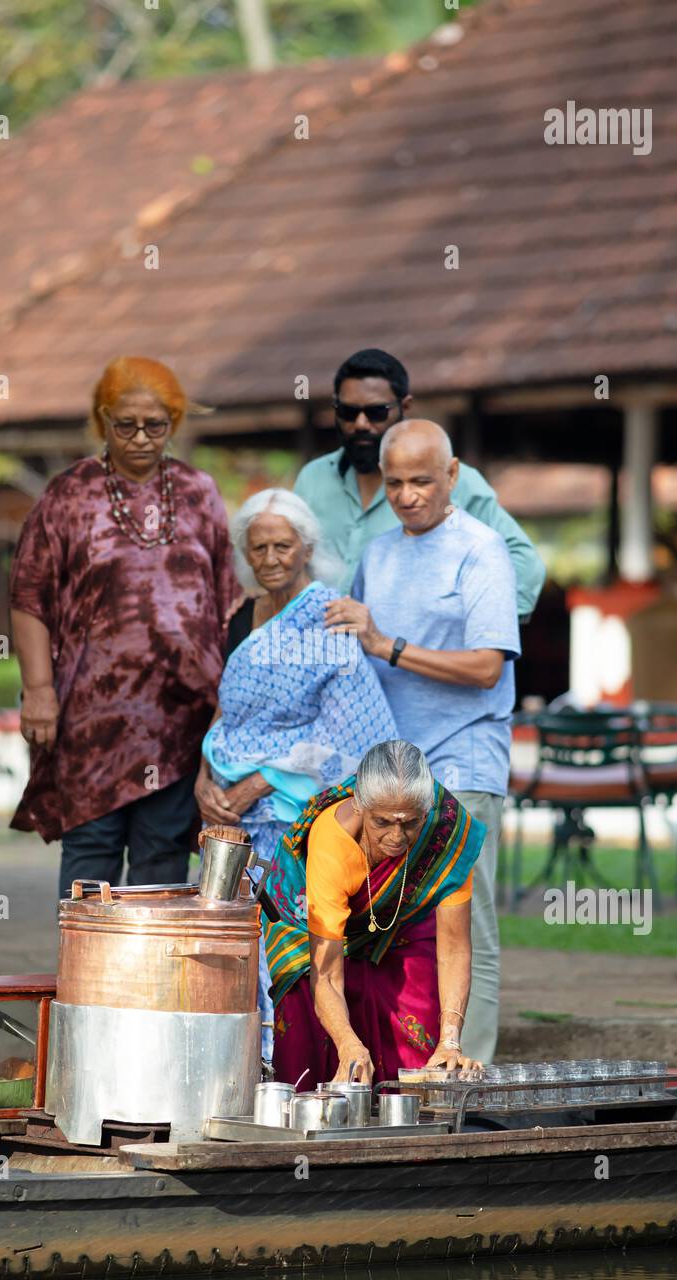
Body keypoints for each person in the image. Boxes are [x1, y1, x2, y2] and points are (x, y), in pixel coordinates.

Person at [326, 420, 520, 1065]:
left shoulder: (481, 549)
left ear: (453, 475)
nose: (408, 495)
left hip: (462, 762)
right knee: (389, 929)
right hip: (389, 776)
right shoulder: (377, 553)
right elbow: (349, 647)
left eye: (422, 481)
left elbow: (487, 667)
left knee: (465, 929)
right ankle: (403, 1072)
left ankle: (472, 1075)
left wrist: (390, 646)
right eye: (395, 483)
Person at [10, 355, 239, 897]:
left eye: (155, 425)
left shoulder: (199, 491)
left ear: (173, 424)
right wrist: (39, 691)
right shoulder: (69, 493)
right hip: (94, 721)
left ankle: (153, 985)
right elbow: (28, 596)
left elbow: (227, 600)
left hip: (182, 719)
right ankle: (85, 984)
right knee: (91, 859)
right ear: (103, 420)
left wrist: (230, 702)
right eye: (125, 425)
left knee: (162, 863)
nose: (140, 437)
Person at [195, 488, 398, 1058]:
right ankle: (237, 1066)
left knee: (293, 948)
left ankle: (290, 1068)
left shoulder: (325, 615)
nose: (271, 557)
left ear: (306, 548)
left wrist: (258, 783)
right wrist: (202, 779)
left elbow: (344, 736)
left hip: (290, 819)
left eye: (283, 545)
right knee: (231, 944)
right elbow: (227, 711)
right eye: (258, 547)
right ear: (244, 553)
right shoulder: (242, 616)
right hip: (226, 814)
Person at [263, 740, 486, 1085]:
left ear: (426, 813)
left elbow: (455, 948)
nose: (396, 837)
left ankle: (411, 1127)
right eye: (382, 822)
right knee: (310, 1035)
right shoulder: (332, 844)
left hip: (404, 919)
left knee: (420, 1051)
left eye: (410, 823)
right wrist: (348, 1045)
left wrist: (450, 1040)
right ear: (360, 806)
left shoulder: (446, 835)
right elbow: (327, 976)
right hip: (307, 925)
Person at [294, 347, 545, 613]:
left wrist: (464, 625)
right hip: (326, 646)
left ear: (405, 406)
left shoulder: (454, 481)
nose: (361, 423)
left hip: (409, 652)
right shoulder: (313, 478)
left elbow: (524, 565)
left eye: (377, 412)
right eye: (347, 411)